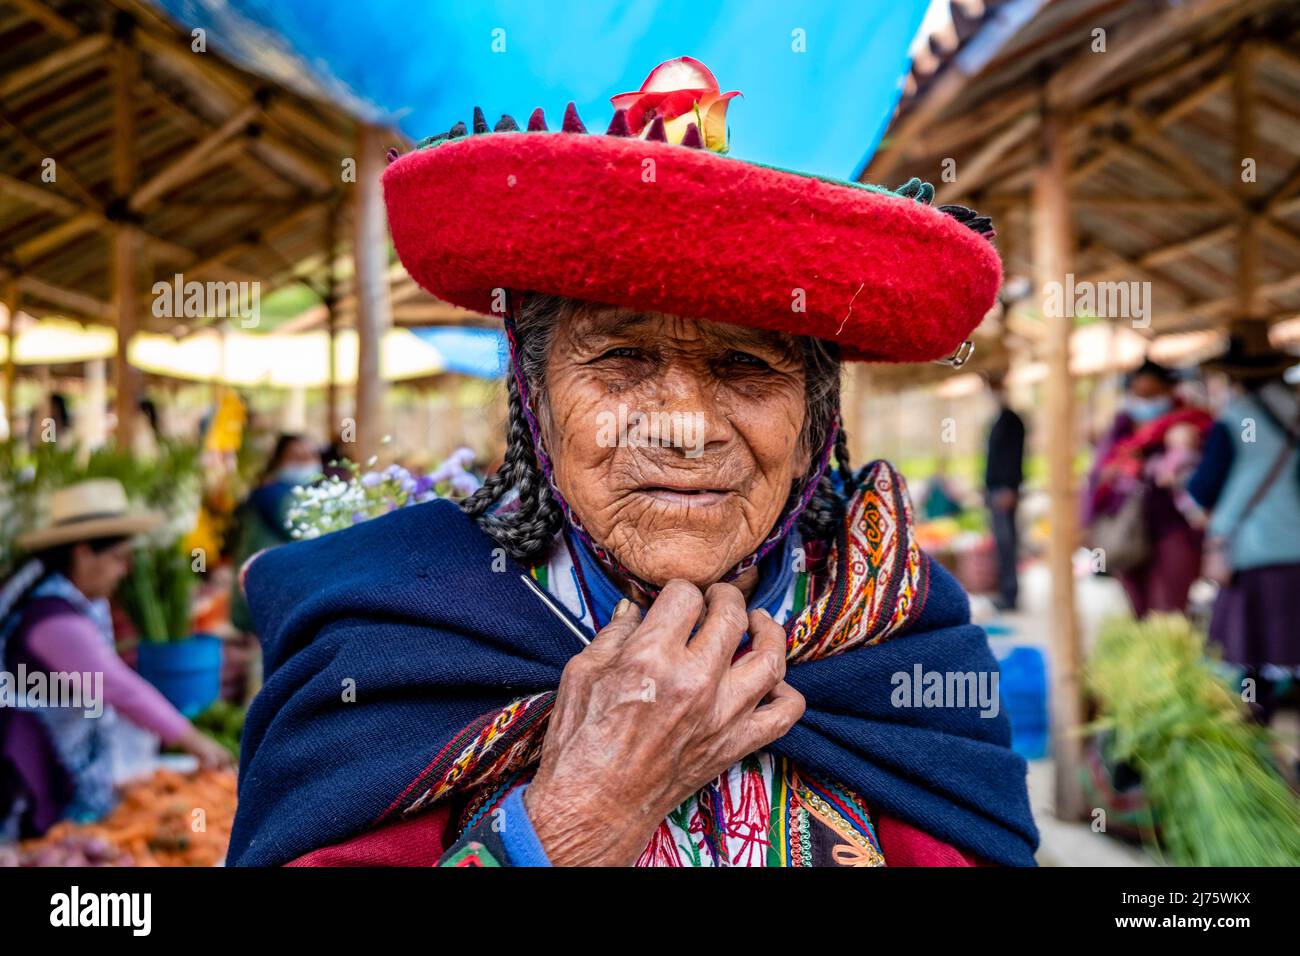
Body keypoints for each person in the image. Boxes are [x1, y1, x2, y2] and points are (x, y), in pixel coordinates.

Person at [227, 57, 1037, 868]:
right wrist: (576, 823)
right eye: (621, 357)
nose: (685, 426)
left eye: (745, 367)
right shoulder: (393, 637)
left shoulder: (902, 642)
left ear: (814, 426)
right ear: (537, 404)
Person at [0, 479, 231, 839]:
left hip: (54, 757)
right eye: (118, 558)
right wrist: (194, 741)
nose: (124, 571)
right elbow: (118, 687)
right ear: (82, 553)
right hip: (32, 766)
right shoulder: (52, 617)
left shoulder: (67, 602)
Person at [1187, 335, 1300, 724]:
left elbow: (1204, 488)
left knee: (1252, 658)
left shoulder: (1234, 420)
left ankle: (1260, 741)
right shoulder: (1297, 412)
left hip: (1254, 553)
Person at [1085, 359, 1211, 616]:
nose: (1145, 402)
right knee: (1139, 610)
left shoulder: (1192, 424)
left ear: (1169, 391)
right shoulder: (1120, 431)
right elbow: (1097, 479)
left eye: (1153, 395)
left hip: (1173, 528)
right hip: (1128, 529)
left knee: (1170, 608)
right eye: (1140, 395)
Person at [227, 433, 322, 633]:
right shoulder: (272, 495)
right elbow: (301, 529)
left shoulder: (301, 494)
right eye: (296, 457)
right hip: (266, 594)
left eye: (311, 456)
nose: (305, 463)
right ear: (279, 460)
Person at [983, 372, 1025, 611]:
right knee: (1001, 545)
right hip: (996, 490)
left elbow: (1014, 458)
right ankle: (1005, 592)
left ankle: (1010, 595)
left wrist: (1010, 488)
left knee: (1007, 544)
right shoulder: (1000, 419)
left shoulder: (1011, 420)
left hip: (1004, 491)